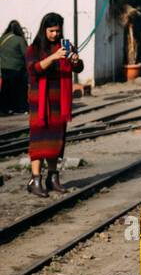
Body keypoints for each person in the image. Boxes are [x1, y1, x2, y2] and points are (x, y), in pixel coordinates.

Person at [25, 12, 83, 196]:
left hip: (59, 102)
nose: (55, 35)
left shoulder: (65, 46)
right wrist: (53, 57)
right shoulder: (33, 48)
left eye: (58, 31)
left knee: (56, 141)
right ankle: (35, 180)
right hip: (40, 102)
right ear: (44, 29)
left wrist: (75, 61)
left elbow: (79, 67)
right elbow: (33, 69)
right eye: (51, 31)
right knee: (39, 141)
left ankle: (52, 178)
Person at [0, 20, 29, 114]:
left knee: (6, 90)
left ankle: (5, 108)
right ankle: (20, 108)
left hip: (4, 68)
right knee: (19, 89)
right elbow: (26, 54)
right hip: (17, 69)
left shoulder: (2, 38)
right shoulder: (19, 39)